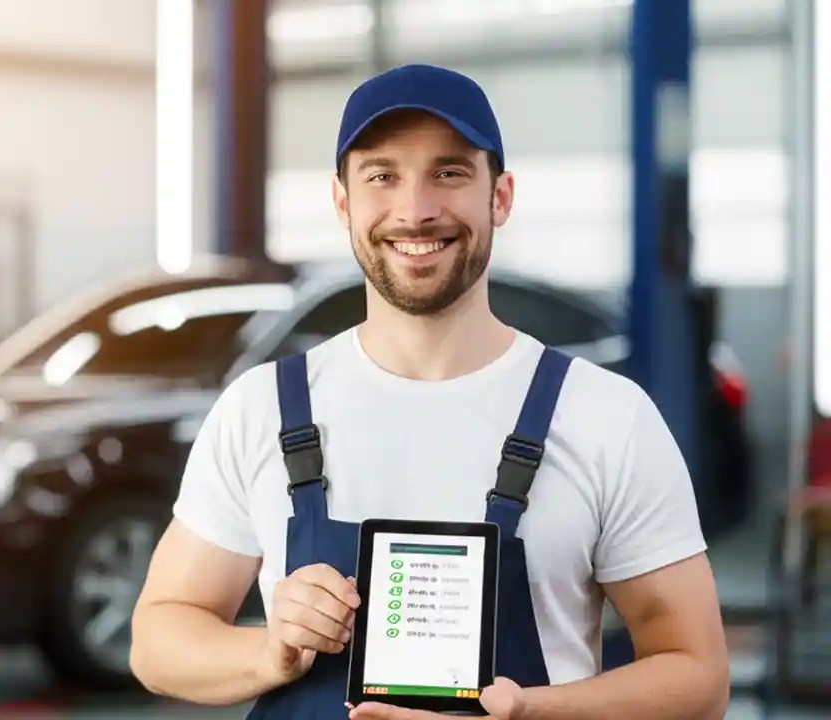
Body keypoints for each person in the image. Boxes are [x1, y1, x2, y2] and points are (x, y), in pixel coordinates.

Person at [129, 64, 730, 719]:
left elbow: (697, 677)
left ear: (500, 197)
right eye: (382, 175)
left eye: (448, 173)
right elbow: (159, 637)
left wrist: (531, 714)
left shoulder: (605, 418)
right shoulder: (262, 409)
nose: (415, 210)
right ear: (342, 202)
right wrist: (268, 652)